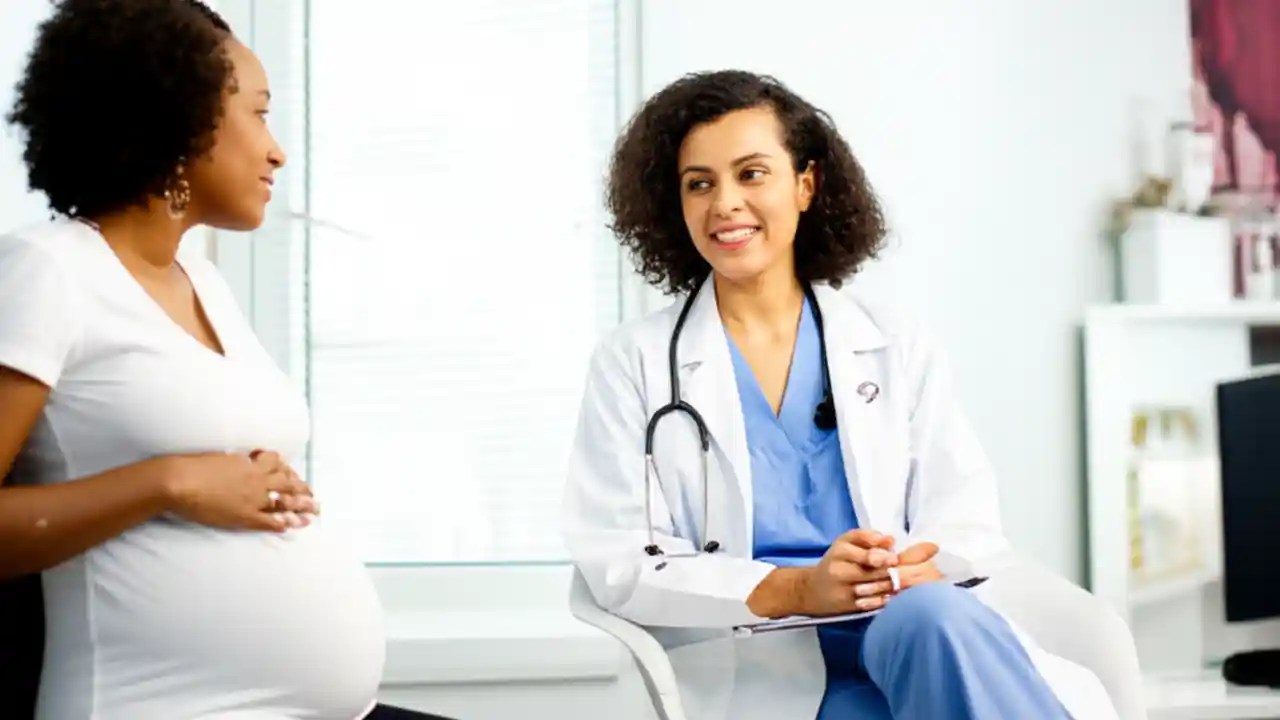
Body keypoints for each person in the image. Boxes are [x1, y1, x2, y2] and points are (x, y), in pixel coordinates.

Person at [562, 70, 1121, 719]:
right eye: (699, 183)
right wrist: (801, 586)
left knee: (931, 614)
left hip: (914, 636)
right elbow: (620, 564)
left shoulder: (894, 343)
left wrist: (904, 571)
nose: (724, 204)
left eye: (751, 173)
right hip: (761, 662)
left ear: (805, 184)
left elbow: (965, 518)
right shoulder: (633, 363)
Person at [0, 2, 450, 718]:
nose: (277, 150)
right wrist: (169, 481)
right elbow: (182, 476)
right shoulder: (48, 271)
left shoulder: (203, 280)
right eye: (259, 114)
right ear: (179, 121)